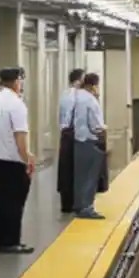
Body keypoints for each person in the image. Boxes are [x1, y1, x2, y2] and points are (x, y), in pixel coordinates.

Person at [0, 67, 35, 253]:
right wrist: (27, 158)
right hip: (12, 160)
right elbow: (20, 135)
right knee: (14, 202)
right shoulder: (16, 104)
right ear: (16, 82)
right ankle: (11, 241)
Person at [71, 72, 107, 220]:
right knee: (90, 177)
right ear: (93, 85)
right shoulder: (91, 100)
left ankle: (79, 205)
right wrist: (103, 134)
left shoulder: (77, 97)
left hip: (78, 140)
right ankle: (86, 207)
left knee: (80, 176)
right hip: (90, 141)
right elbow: (96, 125)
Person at [57, 68, 85, 213]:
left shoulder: (64, 94)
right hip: (74, 134)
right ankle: (76, 202)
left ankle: (66, 202)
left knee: (65, 169)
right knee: (76, 169)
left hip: (65, 134)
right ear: (79, 80)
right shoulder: (78, 96)